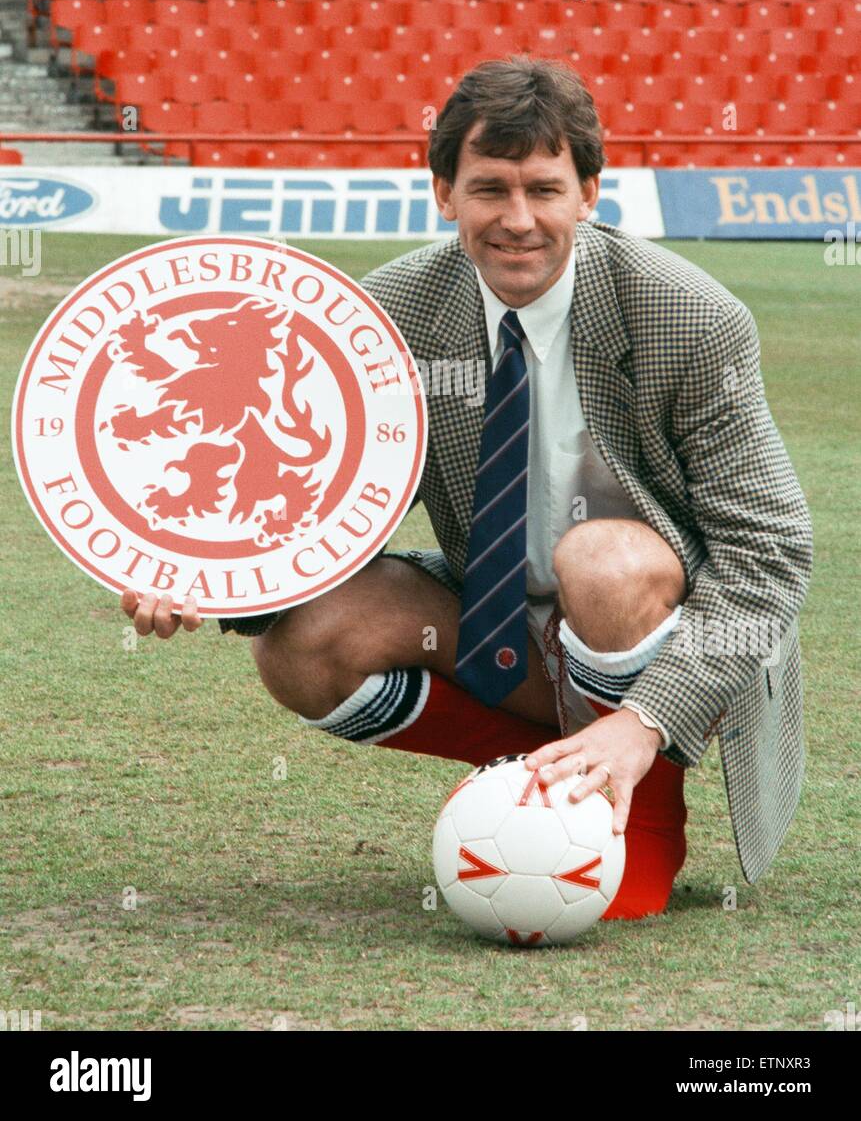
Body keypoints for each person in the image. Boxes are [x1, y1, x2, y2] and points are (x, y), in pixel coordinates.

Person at [121, 56, 813, 920]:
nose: (517, 220)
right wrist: (207, 574)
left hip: (659, 637)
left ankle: (636, 796)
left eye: (544, 189)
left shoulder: (687, 315)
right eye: (488, 188)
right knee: (300, 641)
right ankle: (550, 771)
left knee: (601, 559)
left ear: (589, 193)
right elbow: (311, 497)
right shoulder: (388, 315)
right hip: (501, 627)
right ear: (443, 191)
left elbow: (771, 553)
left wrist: (643, 720)